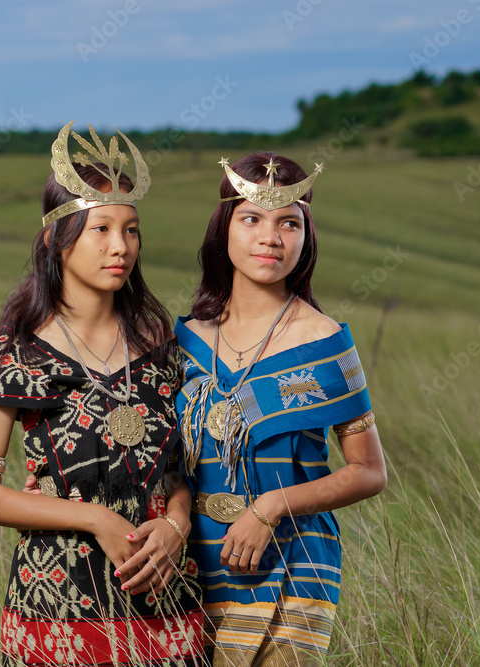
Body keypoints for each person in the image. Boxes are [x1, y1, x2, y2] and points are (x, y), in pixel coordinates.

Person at [0, 121, 203, 666]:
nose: (121, 247)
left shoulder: (162, 346)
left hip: (167, 603)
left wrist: (176, 523)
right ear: (56, 237)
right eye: (100, 229)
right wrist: (95, 518)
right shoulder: (17, 353)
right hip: (57, 607)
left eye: (132, 230)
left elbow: (176, 473)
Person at [174, 152, 387, 665]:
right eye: (252, 219)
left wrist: (271, 508)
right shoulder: (182, 339)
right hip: (188, 565)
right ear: (224, 229)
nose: (271, 237)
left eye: (288, 223)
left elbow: (368, 471)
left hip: (292, 564)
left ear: (305, 238)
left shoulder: (325, 341)